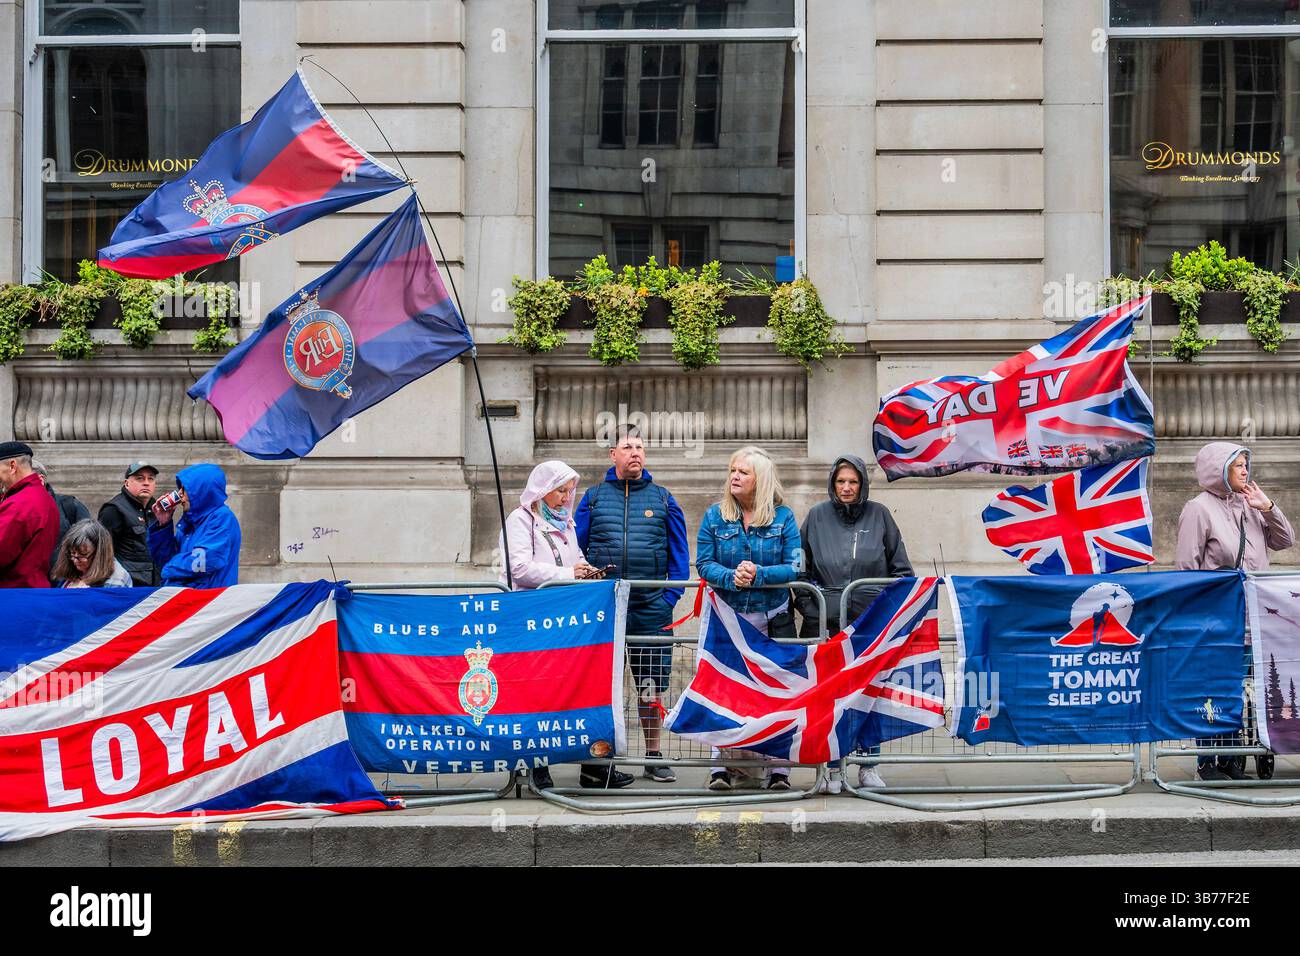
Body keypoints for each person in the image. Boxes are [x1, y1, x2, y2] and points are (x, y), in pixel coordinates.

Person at [500, 459, 634, 791]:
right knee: (537, 694)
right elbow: (519, 568)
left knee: (579, 689)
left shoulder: (567, 524)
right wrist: (567, 575)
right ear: (542, 491)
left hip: (565, 622)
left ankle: (595, 767)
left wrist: (584, 568)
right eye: (560, 491)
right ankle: (537, 767)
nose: (565, 497)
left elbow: (572, 560)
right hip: (531, 619)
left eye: (569, 491)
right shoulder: (520, 521)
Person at [576, 424, 690, 784]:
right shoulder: (593, 498)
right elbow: (573, 550)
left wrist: (668, 597)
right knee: (598, 686)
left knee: (651, 685)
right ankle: (600, 760)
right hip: (603, 610)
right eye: (628, 447)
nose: (635, 452)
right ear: (613, 455)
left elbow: (680, 558)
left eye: (640, 447)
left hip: (650, 610)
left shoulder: (663, 498)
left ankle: (654, 755)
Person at [1176, 441, 1295, 783]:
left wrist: (1268, 507)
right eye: (1238, 464)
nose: (1245, 470)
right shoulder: (1198, 509)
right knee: (1216, 687)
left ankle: (1232, 758)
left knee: (1241, 688)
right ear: (1219, 469)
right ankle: (1208, 760)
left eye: (1246, 464)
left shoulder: (1250, 504)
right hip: (1217, 618)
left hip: (1255, 617)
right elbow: (1188, 568)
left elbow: (1285, 541)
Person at [796, 454, 914, 791]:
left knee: (868, 695)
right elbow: (800, 571)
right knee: (829, 699)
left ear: (862, 484)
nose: (846, 488)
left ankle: (867, 765)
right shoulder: (816, 517)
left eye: (853, 482)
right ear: (832, 484)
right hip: (826, 627)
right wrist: (813, 610)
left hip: (868, 627)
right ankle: (831, 769)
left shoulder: (880, 516)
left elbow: (902, 572)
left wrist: (882, 612)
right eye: (841, 482)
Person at [696, 445, 802, 791]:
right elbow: (704, 562)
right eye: (732, 471)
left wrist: (759, 574)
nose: (734, 477)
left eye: (743, 472)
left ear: (762, 479)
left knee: (775, 689)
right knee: (722, 687)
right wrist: (731, 578)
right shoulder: (715, 516)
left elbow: (796, 565)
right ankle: (721, 767)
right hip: (726, 616)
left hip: (770, 616)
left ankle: (778, 770)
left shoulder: (784, 518)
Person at [148, 463, 242, 588]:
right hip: (186, 599)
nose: (180, 494)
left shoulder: (222, 517)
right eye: (179, 488)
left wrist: (170, 567)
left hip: (209, 600)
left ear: (201, 490)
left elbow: (206, 561)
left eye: (185, 489)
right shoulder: (191, 521)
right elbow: (163, 558)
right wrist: (163, 525)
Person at [0, 442, 60, 588]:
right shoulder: (43, 497)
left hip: (15, 593)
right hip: (34, 589)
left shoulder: (20, 503)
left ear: (12, 466)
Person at [99, 460, 162, 587]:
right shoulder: (114, 509)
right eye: (140, 478)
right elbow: (102, 552)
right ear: (126, 483)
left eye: (151, 479)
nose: (146, 483)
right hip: (127, 586)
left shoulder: (157, 509)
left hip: (156, 585)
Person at [31, 458, 91, 574]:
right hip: (25, 585)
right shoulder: (10, 508)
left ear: (40, 480)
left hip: (63, 582)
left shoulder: (70, 506)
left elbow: (89, 545)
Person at [52, 519, 133, 588]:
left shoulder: (117, 579)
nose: (75, 561)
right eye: (72, 553)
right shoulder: (72, 570)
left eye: (83, 554)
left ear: (99, 553)